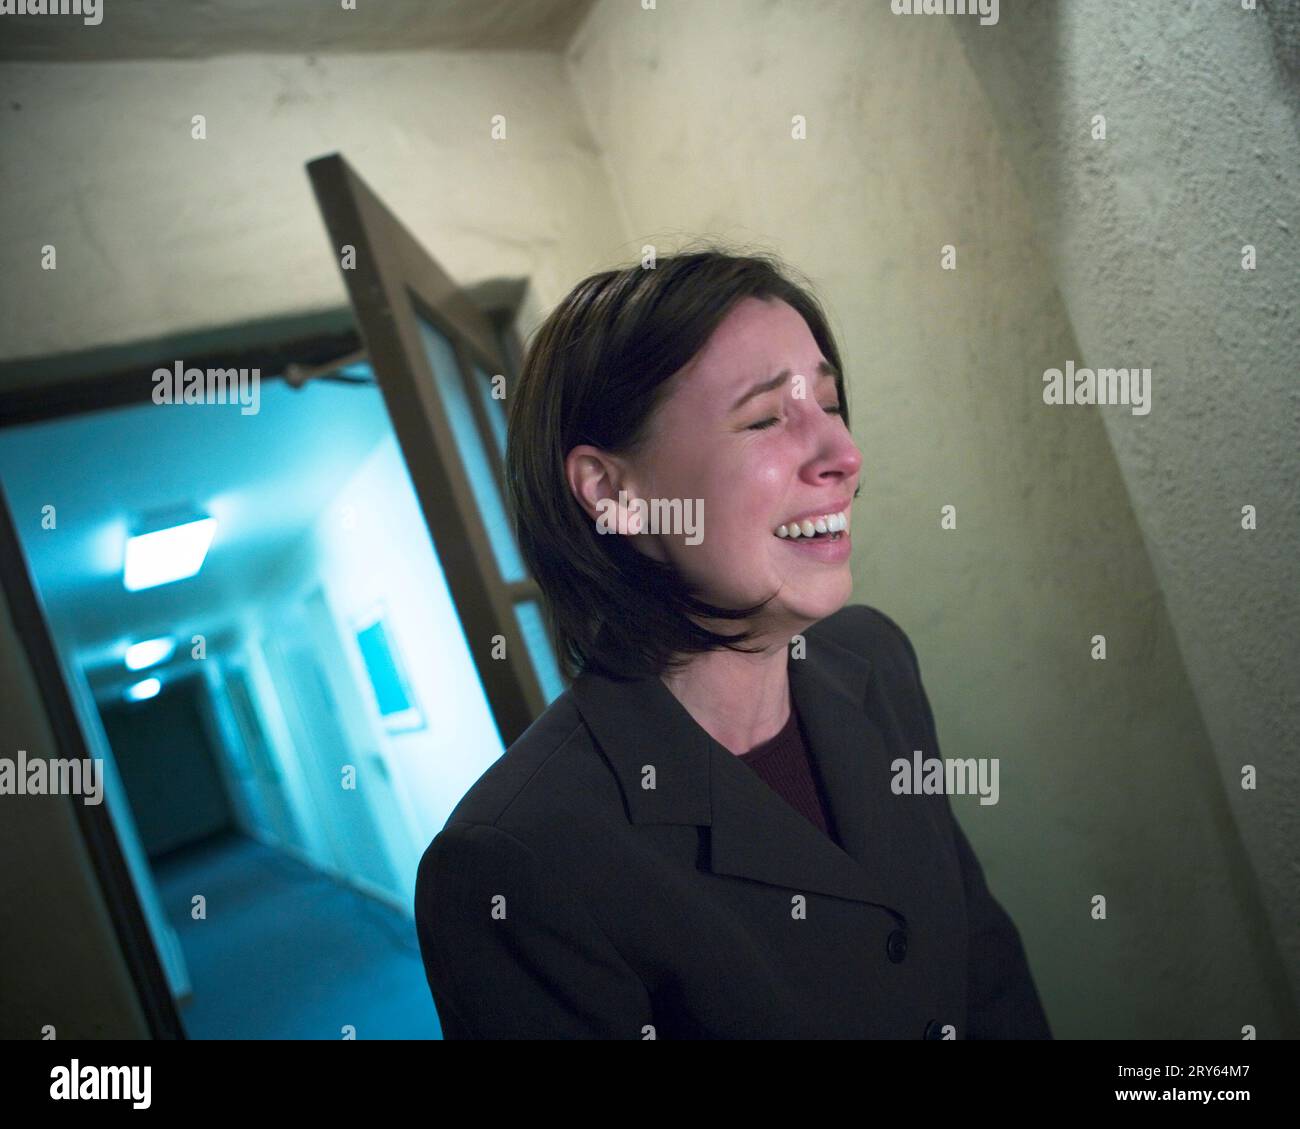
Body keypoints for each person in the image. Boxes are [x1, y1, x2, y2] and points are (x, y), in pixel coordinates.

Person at [414, 245, 1052, 1039]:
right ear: (616, 493)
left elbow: (985, 973)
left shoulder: (875, 660)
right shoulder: (517, 861)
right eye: (764, 419)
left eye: (830, 401)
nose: (844, 457)